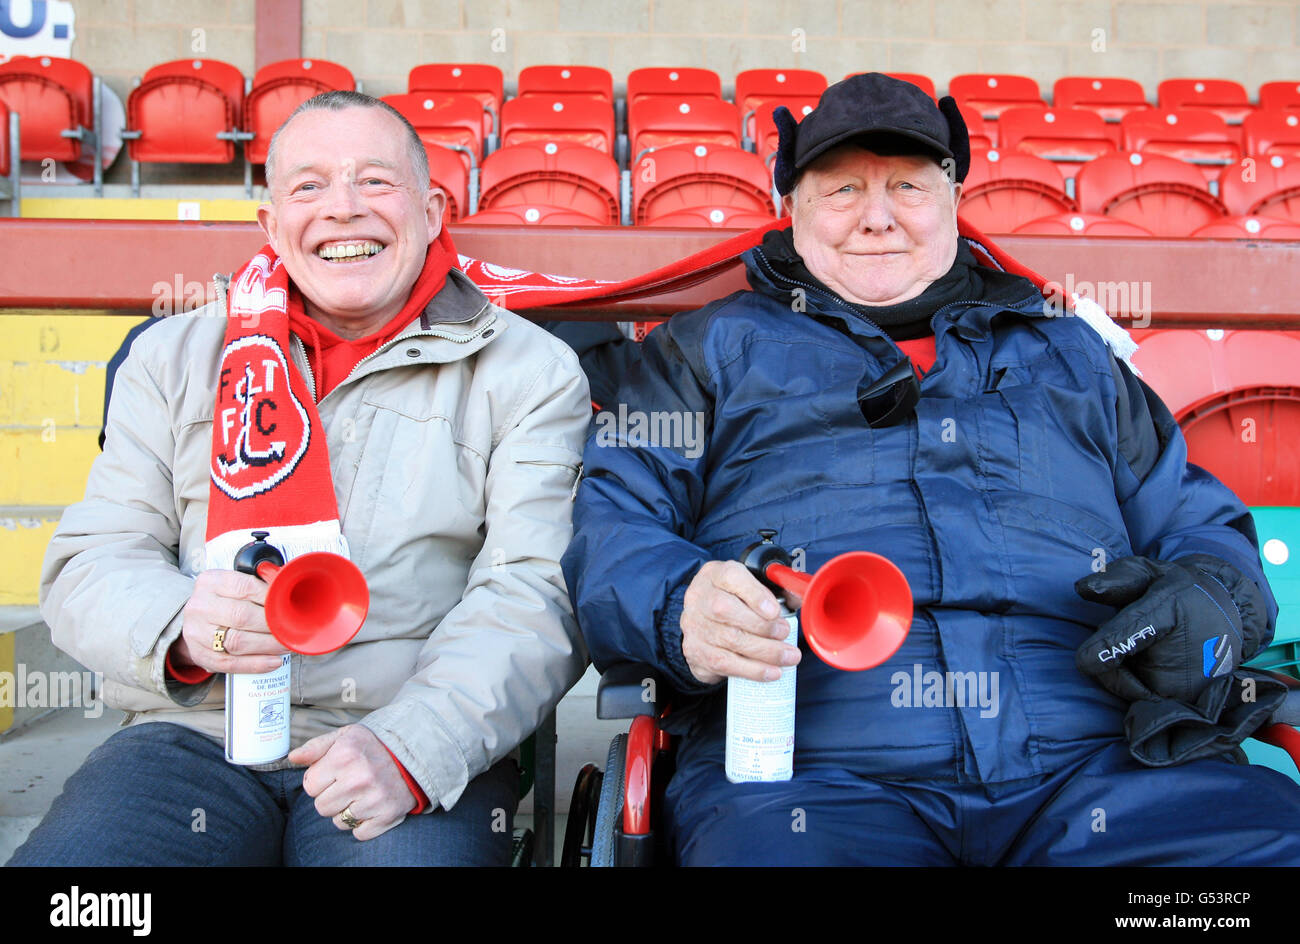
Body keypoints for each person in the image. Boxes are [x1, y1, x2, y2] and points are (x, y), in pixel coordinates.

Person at [562, 73, 1300, 866]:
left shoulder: (1073, 353)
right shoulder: (703, 352)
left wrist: (1212, 600)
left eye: (908, 186)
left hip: (1107, 758)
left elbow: (1198, 523)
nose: (877, 216)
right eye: (842, 187)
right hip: (813, 773)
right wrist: (681, 605)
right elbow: (613, 529)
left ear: (953, 200)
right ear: (793, 208)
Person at [12, 91, 590, 866]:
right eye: (309, 186)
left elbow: (534, 590)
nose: (343, 209)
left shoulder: (529, 370)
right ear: (271, 223)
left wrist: (416, 747)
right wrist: (180, 625)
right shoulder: (170, 357)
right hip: (192, 730)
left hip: (399, 734)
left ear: (431, 209)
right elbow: (92, 559)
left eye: (375, 182)